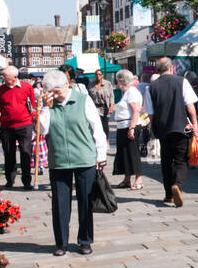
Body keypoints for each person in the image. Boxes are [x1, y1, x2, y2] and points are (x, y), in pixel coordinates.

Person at [38, 69, 108, 256]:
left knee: (85, 202)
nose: (53, 94)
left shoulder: (83, 100)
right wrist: (44, 107)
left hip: (84, 158)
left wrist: (101, 154)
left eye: (56, 91)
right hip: (59, 160)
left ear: (66, 85)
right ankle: (61, 243)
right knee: (60, 204)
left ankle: (85, 240)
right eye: (49, 91)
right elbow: (42, 130)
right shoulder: (48, 104)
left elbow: (97, 128)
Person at [148, 56, 198, 206]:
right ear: (172, 68)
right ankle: (177, 184)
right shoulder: (182, 81)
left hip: (163, 130)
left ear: (158, 70)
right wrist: (195, 125)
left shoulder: (151, 87)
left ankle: (169, 194)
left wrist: (156, 127)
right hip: (181, 127)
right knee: (180, 160)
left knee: (166, 161)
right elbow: (190, 107)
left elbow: (150, 114)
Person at [0, 66, 37, 191]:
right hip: (7, 126)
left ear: (15, 77)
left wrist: (32, 119)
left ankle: (26, 181)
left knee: (25, 152)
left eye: (7, 78)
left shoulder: (26, 87)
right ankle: (10, 179)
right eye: (4, 78)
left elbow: (31, 104)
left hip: (24, 124)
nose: (4, 80)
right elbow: (0, 105)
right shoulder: (1, 89)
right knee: (9, 154)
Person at [111, 69, 145, 190]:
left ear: (121, 80)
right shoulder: (126, 93)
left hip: (129, 125)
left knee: (132, 153)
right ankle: (127, 179)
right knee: (124, 154)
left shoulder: (132, 92)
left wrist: (131, 128)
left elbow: (136, 110)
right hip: (123, 126)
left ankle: (138, 180)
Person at [87, 70, 114, 143]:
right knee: (96, 124)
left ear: (102, 75)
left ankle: (106, 140)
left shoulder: (108, 84)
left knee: (105, 125)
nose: (98, 76)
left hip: (105, 107)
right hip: (95, 108)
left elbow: (111, 96)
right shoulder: (91, 85)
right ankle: (98, 140)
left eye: (99, 74)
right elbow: (88, 97)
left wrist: (111, 106)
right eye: (96, 74)